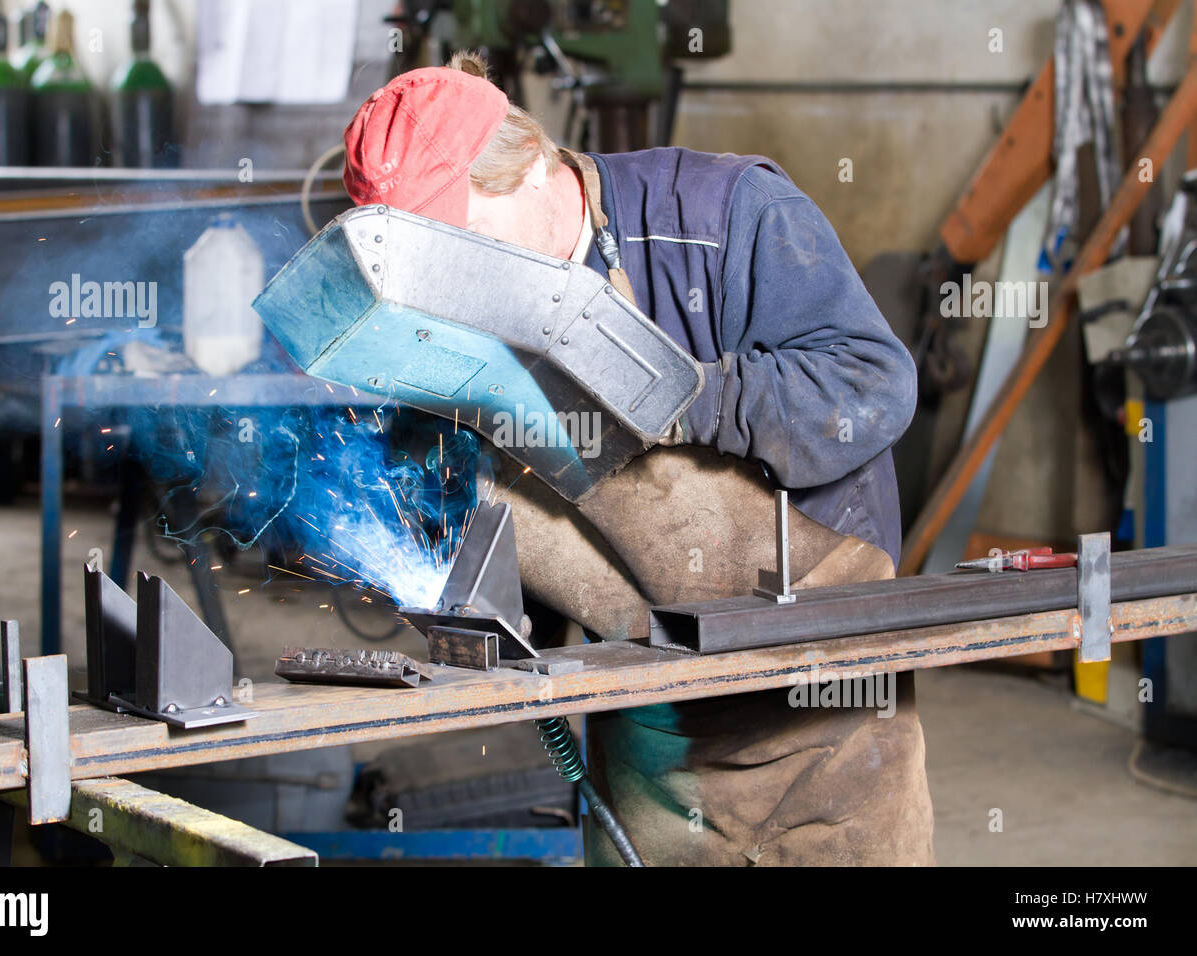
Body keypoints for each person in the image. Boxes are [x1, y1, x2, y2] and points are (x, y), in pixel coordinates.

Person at [340, 53, 934, 866]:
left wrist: (685, 399)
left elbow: (874, 386)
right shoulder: (467, 322)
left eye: (463, 247)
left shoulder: (729, 215)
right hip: (649, 729)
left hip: (823, 714)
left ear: (531, 168)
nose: (453, 291)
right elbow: (507, 524)